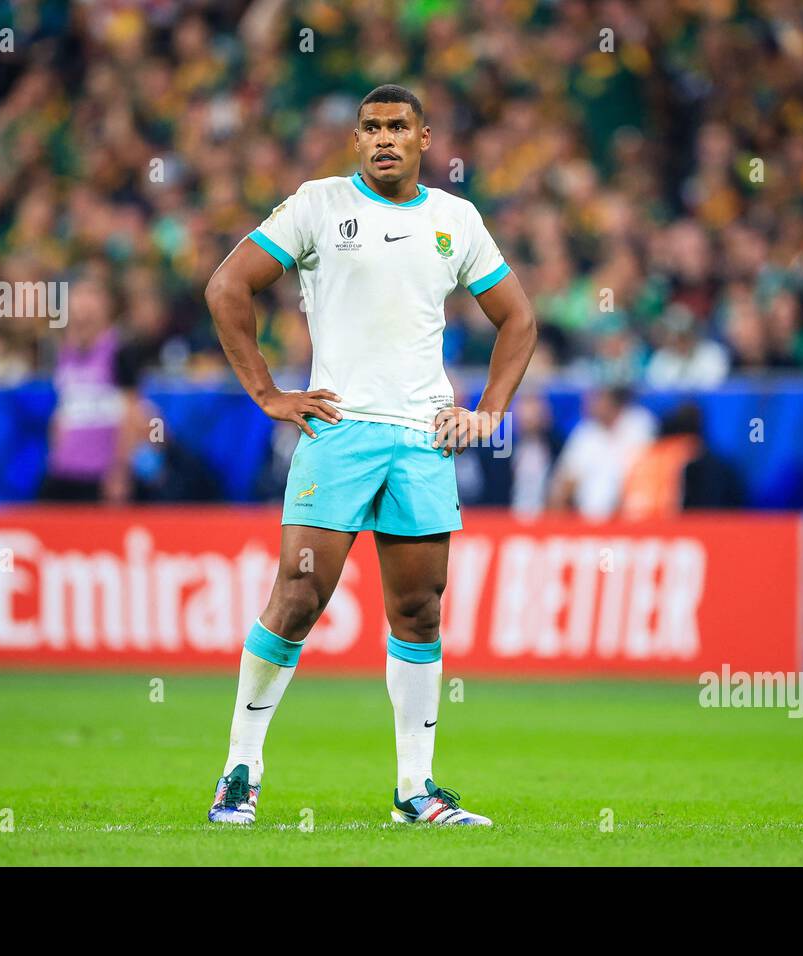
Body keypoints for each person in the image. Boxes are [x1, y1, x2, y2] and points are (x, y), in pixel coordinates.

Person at [203, 85, 536, 826]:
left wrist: (488, 413)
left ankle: (415, 792)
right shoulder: (317, 205)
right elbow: (227, 286)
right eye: (372, 127)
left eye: (399, 127)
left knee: (418, 612)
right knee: (298, 598)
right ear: (356, 140)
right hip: (341, 430)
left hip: (423, 439)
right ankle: (240, 770)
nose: (385, 138)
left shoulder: (456, 220)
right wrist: (267, 394)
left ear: (425, 138)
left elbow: (517, 318)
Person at [38, 278, 141, 503]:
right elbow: (63, 410)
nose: (83, 306)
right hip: (64, 470)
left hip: (101, 473)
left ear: (106, 306)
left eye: (91, 297)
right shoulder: (62, 351)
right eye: (77, 298)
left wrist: (120, 469)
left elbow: (132, 414)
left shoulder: (120, 351)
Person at [548, 385, 657, 519]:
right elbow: (567, 479)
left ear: (611, 400)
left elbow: (646, 473)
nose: (589, 403)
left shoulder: (639, 423)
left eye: (596, 397)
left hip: (630, 516)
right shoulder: (584, 432)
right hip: (588, 518)